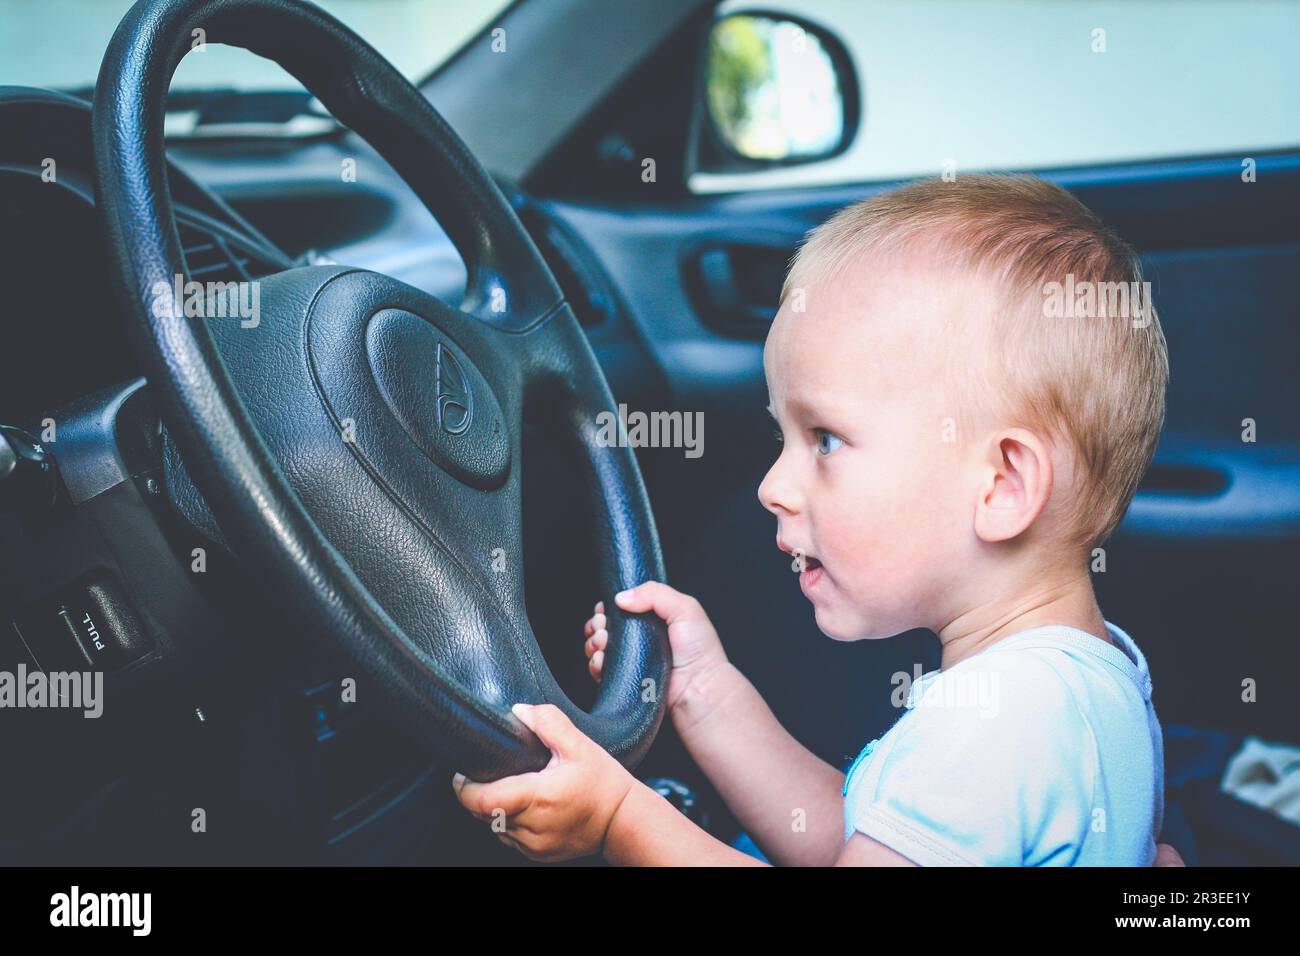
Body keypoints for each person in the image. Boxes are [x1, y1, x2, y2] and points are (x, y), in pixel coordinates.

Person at [455, 174, 1184, 866]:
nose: (773, 487)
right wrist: (704, 691)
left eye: (825, 440)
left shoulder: (993, 726)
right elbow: (853, 839)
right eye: (784, 440)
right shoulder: (1087, 677)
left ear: (1000, 486)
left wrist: (619, 820)